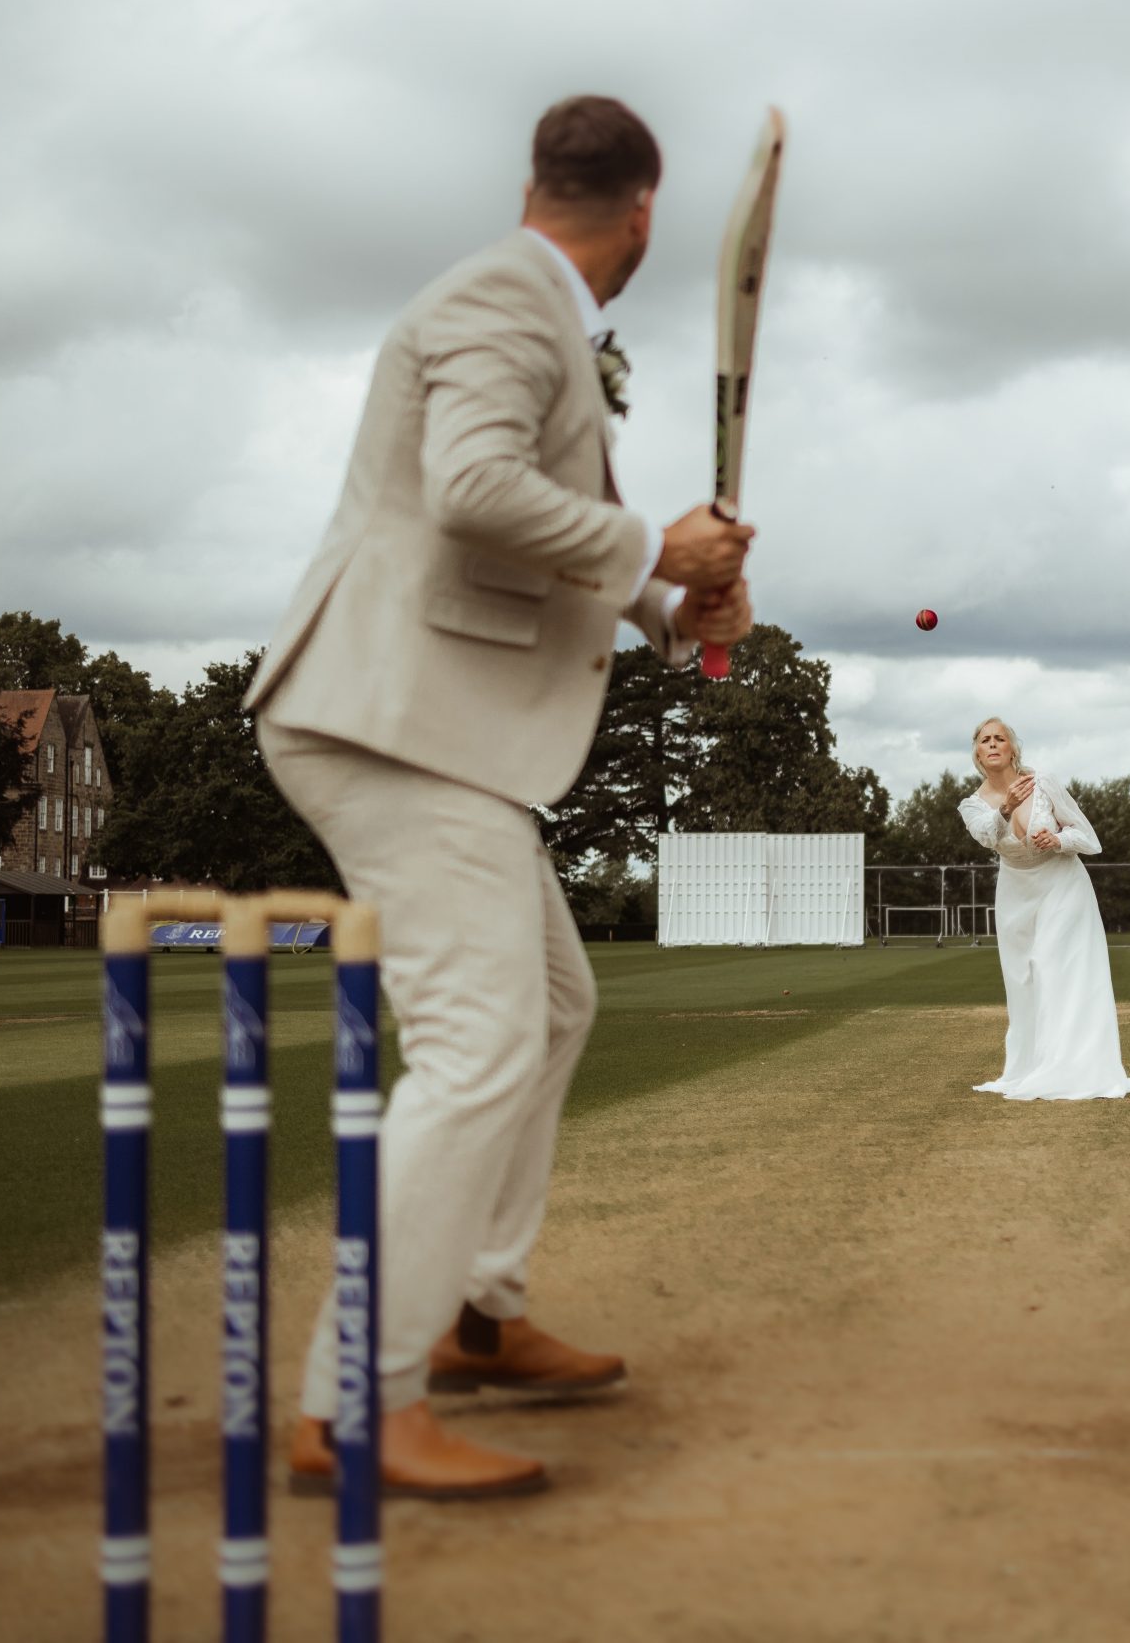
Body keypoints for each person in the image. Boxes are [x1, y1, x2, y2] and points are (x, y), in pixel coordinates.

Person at [245, 96, 756, 1499]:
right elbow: (472, 489)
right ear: (642, 214)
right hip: (389, 723)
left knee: (554, 1005)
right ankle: (358, 1402)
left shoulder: (528, 308)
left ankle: (477, 1306)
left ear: (541, 186)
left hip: (434, 729)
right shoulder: (503, 300)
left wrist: (678, 612)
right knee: (479, 1044)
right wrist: (655, 544)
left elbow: (518, 534)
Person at [956, 718, 1130, 1101]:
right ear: (977, 752)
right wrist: (1006, 808)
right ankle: (1031, 1065)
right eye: (985, 740)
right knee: (1023, 981)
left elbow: (1089, 838)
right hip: (1015, 894)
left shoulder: (1044, 783)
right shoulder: (971, 805)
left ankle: (1071, 1066)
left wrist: (1057, 840)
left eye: (1000, 738)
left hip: (1062, 884)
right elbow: (987, 837)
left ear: (1012, 748)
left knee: (1054, 967)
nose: (992, 744)